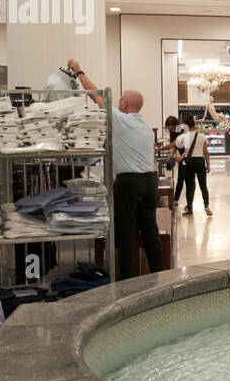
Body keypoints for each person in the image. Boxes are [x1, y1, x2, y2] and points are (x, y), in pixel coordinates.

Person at [67, 60, 163, 278]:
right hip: (149, 183)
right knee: (150, 232)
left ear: (124, 103)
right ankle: (161, 276)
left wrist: (79, 70)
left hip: (128, 184)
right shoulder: (147, 128)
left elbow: (95, 95)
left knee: (127, 234)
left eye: (120, 100)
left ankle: (128, 280)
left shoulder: (120, 120)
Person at [175, 122, 212, 217]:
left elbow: (184, 150)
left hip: (190, 163)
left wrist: (179, 157)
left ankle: (190, 209)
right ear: (194, 126)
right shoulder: (202, 136)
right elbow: (205, 152)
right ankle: (206, 206)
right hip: (200, 161)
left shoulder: (184, 137)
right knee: (203, 185)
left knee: (189, 186)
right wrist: (208, 165)